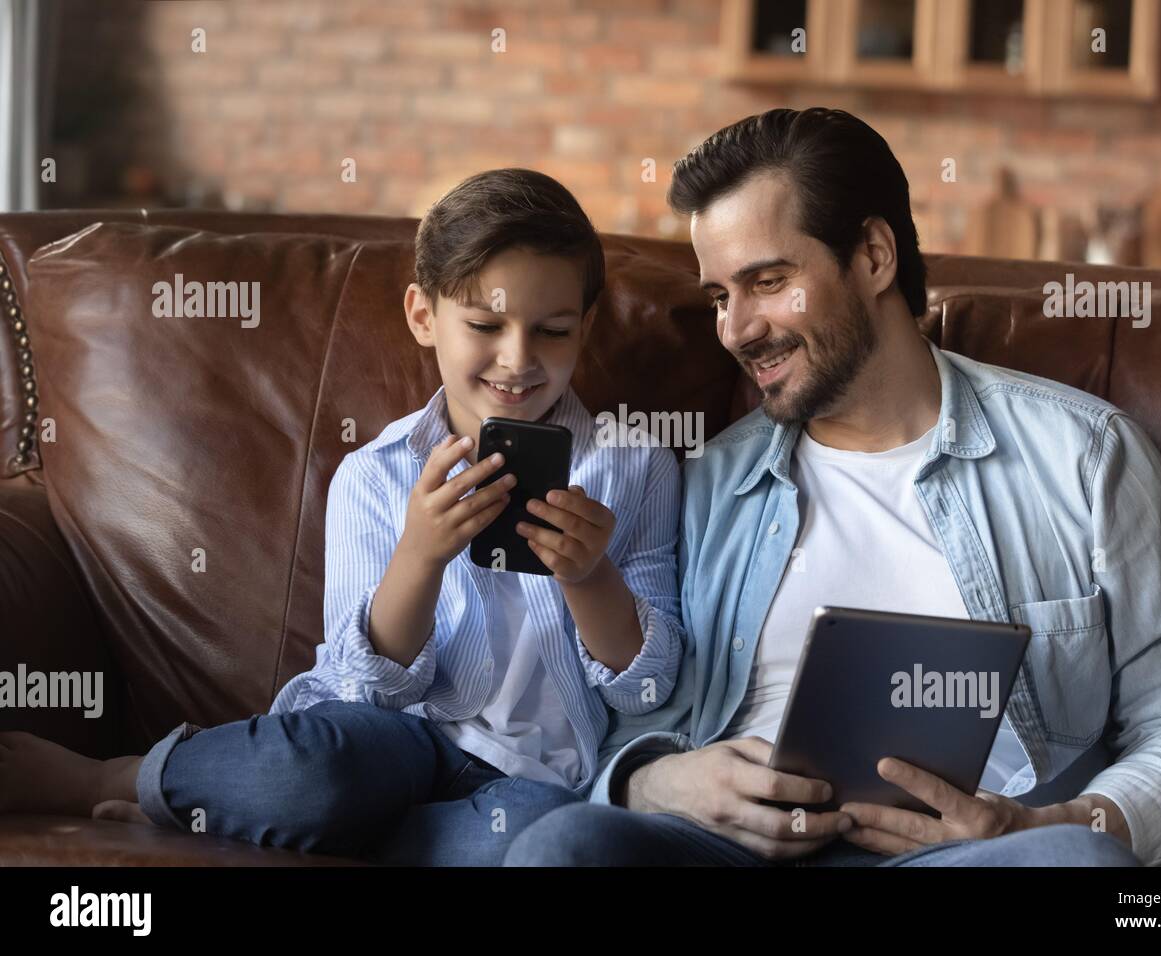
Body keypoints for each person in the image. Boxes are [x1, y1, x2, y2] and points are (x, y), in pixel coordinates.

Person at [505, 109, 1161, 868]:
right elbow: (634, 707)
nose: (735, 330)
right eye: (719, 297)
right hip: (732, 852)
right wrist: (661, 783)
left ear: (872, 256)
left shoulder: (1085, 458)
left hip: (969, 860)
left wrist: (1046, 827)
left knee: (1079, 863)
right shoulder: (706, 482)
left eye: (768, 282)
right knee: (565, 843)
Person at [0, 168, 686, 866]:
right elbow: (367, 689)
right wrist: (419, 558)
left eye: (553, 331)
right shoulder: (375, 473)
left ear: (587, 326)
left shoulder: (637, 468)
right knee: (311, 771)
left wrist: (590, 578)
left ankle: (278, 820)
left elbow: (651, 686)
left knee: (545, 838)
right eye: (484, 325)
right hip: (381, 746)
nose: (517, 359)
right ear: (424, 316)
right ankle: (117, 778)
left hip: (531, 780)